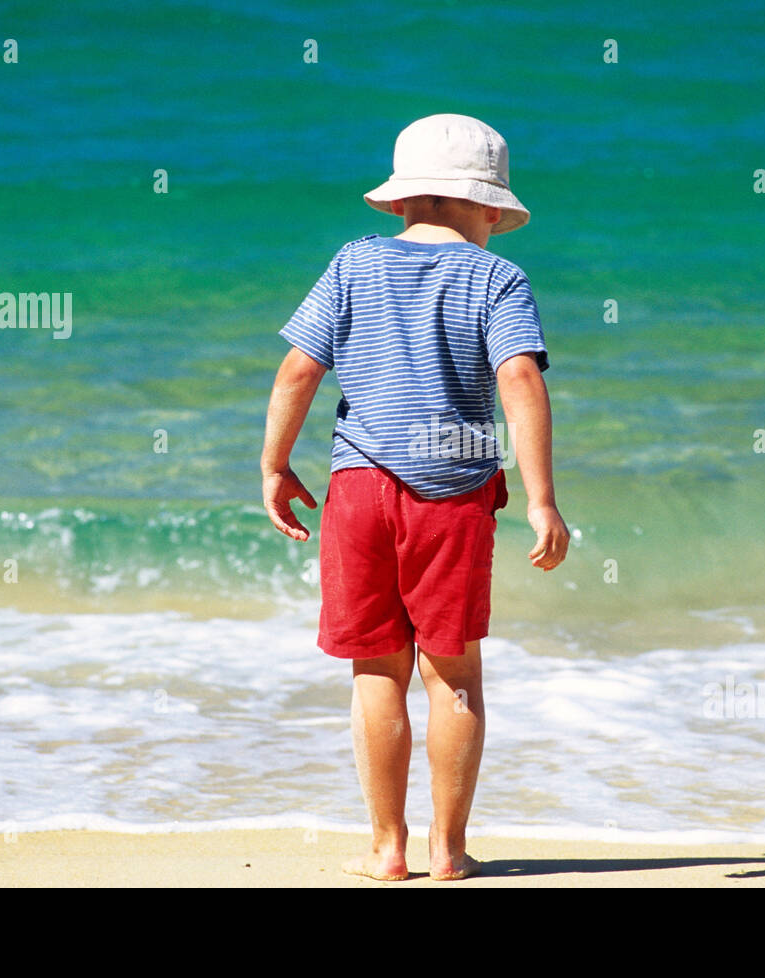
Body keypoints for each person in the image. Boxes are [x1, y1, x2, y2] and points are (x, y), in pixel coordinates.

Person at [260, 113, 569, 881]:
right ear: (491, 209)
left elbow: (299, 371)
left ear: (401, 203)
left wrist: (274, 465)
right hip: (455, 496)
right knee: (454, 677)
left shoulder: (354, 264)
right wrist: (541, 499)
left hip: (360, 488)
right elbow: (519, 379)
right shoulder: (499, 278)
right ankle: (448, 851)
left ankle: (386, 848)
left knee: (375, 672)